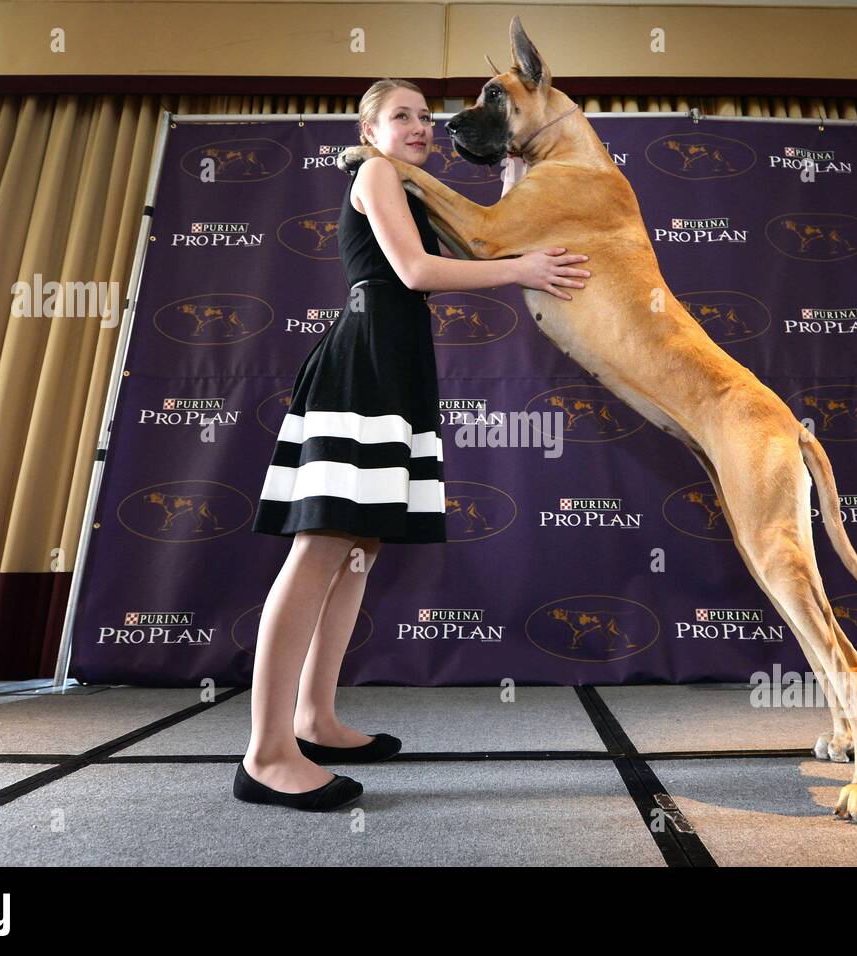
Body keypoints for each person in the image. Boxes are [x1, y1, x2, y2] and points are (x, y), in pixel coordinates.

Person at [235, 78, 591, 811]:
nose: (422, 126)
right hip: (360, 365)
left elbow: (482, 235)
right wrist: (522, 271)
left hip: (396, 370)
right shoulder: (374, 174)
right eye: (403, 116)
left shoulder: (412, 185)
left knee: (358, 553)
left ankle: (315, 720)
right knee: (321, 550)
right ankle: (267, 754)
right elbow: (414, 272)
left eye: (427, 117)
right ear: (371, 131)